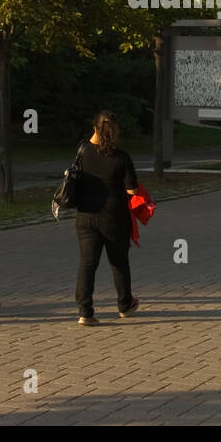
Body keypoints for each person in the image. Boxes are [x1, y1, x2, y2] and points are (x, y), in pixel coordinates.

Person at [72, 111, 142, 326]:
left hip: (85, 216)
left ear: (94, 128)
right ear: (115, 131)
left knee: (87, 264)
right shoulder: (121, 157)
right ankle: (125, 304)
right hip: (114, 217)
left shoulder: (83, 151)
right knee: (119, 262)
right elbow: (132, 190)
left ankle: (85, 311)